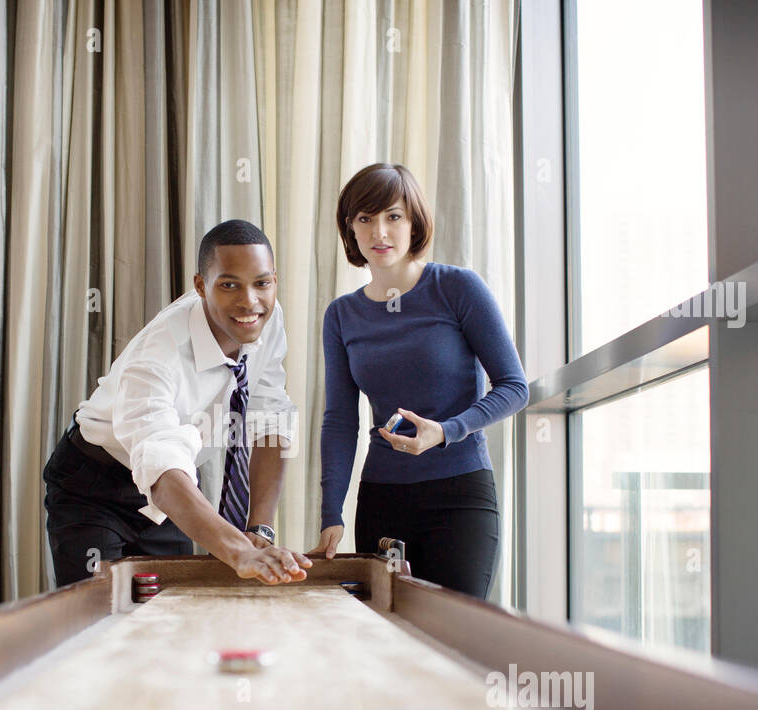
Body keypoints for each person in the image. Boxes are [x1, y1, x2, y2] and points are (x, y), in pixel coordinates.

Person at [44, 219, 312, 588]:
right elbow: (160, 464)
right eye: (229, 284)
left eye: (262, 283)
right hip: (96, 486)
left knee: (172, 612)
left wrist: (257, 531)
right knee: (99, 615)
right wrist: (237, 551)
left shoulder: (267, 317)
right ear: (200, 286)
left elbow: (270, 419)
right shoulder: (159, 352)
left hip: (178, 490)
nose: (249, 301)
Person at [311, 163, 528, 599]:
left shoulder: (458, 288)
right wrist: (330, 513)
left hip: (459, 498)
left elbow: (514, 387)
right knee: (389, 637)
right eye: (365, 219)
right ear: (350, 229)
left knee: (454, 638)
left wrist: (446, 432)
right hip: (382, 501)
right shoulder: (341, 315)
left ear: (415, 222)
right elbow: (339, 420)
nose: (380, 232)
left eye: (393, 216)